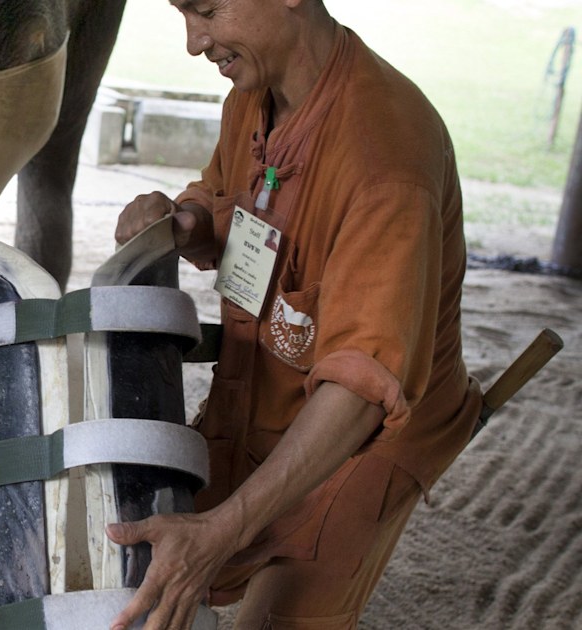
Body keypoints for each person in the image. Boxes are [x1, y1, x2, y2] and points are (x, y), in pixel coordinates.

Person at [105, 1, 482, 629]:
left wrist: (222, 529)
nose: (195, 43)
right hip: (265, 395)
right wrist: (188, 220)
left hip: (365, 432)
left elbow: (361, 390)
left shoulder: (384, 160)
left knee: (270, 608)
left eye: (206, 9)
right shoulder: (253, 95)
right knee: (148, 566)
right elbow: (228, 192)